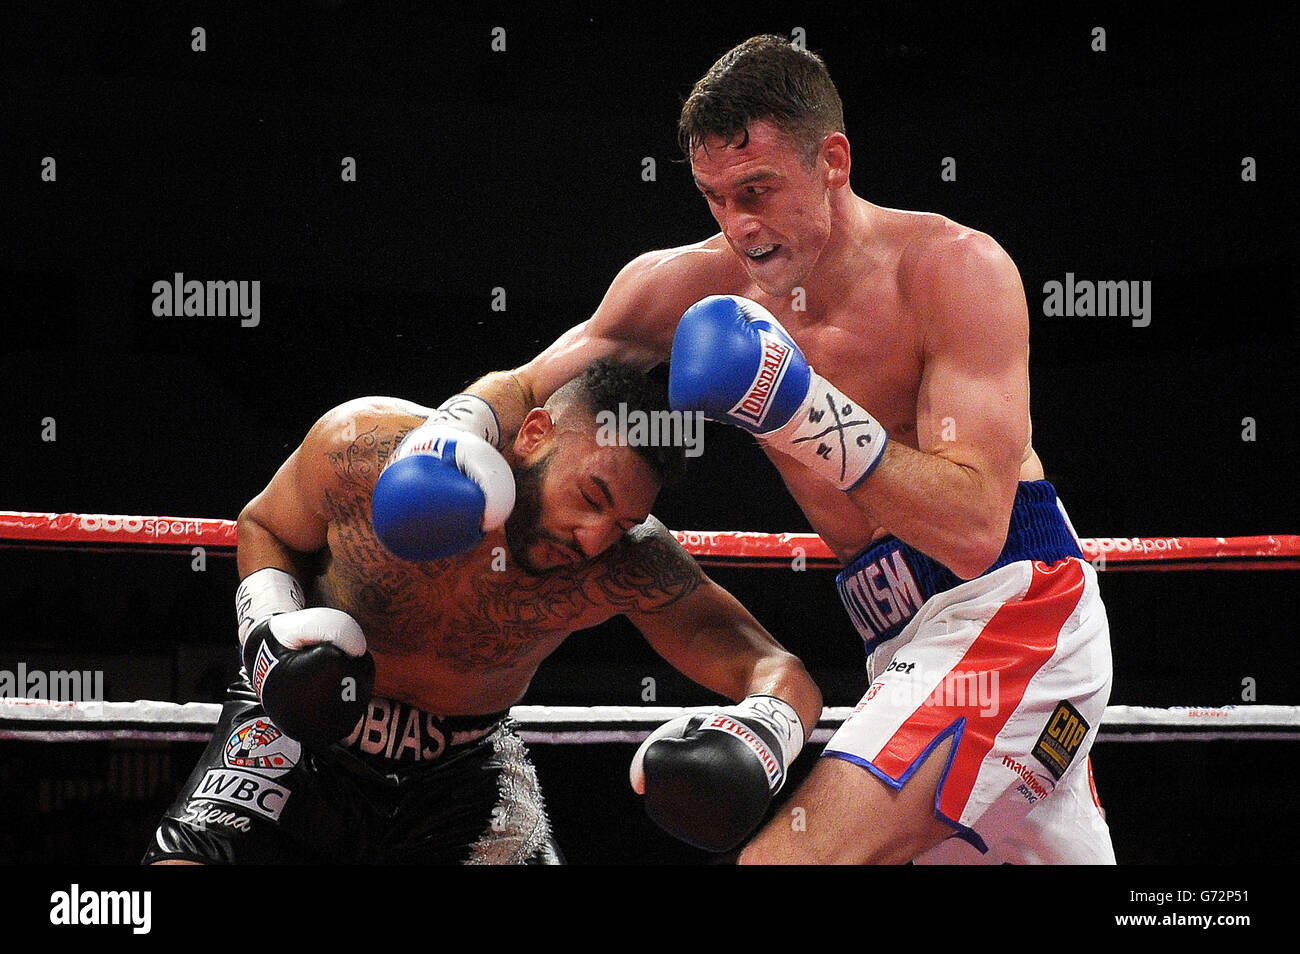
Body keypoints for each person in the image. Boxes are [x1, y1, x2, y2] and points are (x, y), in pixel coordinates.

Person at [459, 35, 1114, 864]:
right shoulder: (689, 286)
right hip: (897, 635)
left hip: (1012, 611)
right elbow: (525, 386)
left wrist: (798, 406)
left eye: (758, 189)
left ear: (832, 159)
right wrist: (445, 439)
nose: (740, 224)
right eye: (716, 198)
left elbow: (978, 524)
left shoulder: (952, 271)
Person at [142, 359, 822, 864]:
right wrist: (267, 640)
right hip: (299, 723)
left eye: (622, 521)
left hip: (463, 769)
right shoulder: (364, 453)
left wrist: (758, 738)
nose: (593, 539)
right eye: (590, 495)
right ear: (532, 434)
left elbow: (775, 668)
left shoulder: (627, 562)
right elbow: (265, 525)